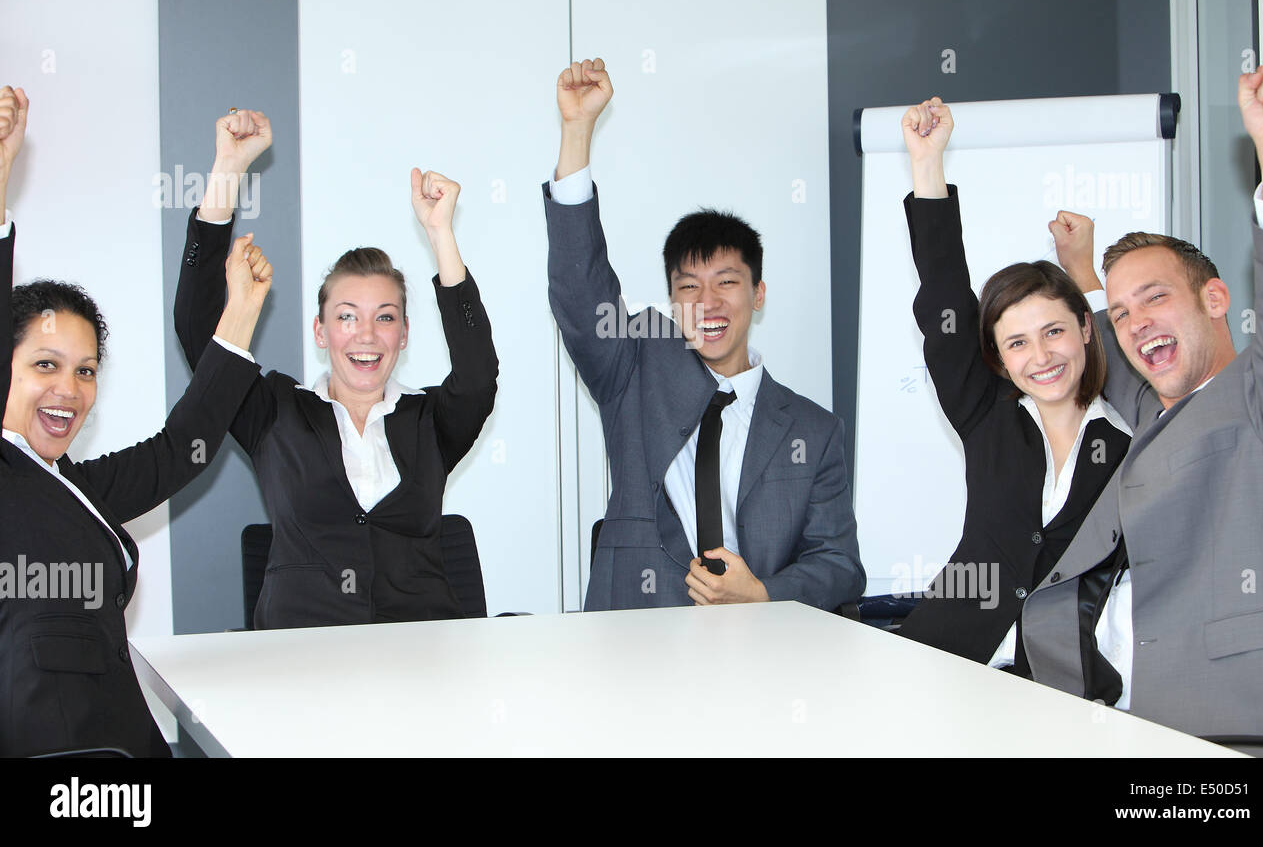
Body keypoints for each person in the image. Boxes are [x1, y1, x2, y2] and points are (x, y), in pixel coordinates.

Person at [1022, 66, 1263, 752]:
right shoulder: (1154, 411)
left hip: (1226, 722)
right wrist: (1083, 272)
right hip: (1117, 716)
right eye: (1120, 313)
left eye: (1155, 298)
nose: (1136, 322)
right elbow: (1112, 368)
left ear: (1214, 299)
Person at [0, 86, 269, 756]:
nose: (69, 389)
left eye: (85, 370)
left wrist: (238, 313)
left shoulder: (74, 488)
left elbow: (186, 449)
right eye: (45, 365)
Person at [544, 58, 864, 611]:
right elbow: (581, 295)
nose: (708, 302)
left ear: (758, 294)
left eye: (727, 282)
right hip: (635, 647)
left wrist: (763, 594)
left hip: (758, 659)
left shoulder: (814, 431)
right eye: (689, 286)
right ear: (672, 301)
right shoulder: (635, 369)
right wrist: (577, 132)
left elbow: (838, 566)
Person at [173, 109, 498, 629]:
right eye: (346, 317)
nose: (366, 336)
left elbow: (479, 374)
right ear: (321, 333)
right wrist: (227, 172)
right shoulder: (274, 411)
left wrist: (441, 236)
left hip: (421, 664)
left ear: (405, 334)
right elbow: (197, 331)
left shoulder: (430, 421)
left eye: (384, 318)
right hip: (302, 668)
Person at [891, 98, 1131, 677]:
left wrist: (1086, 276)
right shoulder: (986, 411)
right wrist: (928, 165)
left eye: (1054, 332)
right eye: (1017, 342)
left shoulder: (1133, 432)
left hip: (1066, 684)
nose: (1041, 356)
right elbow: (945, 291)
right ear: (998, 355)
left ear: (1085, 330)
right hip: (945, 662)